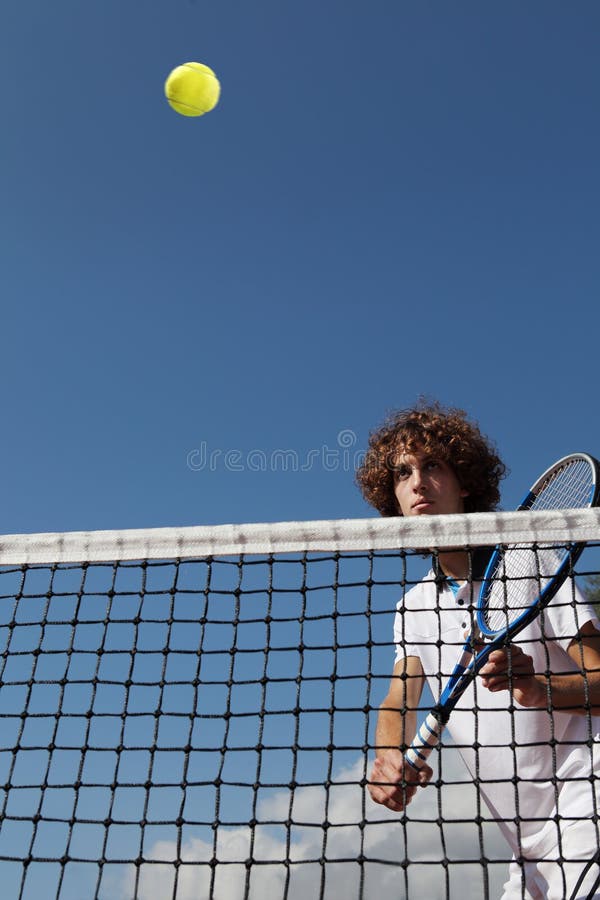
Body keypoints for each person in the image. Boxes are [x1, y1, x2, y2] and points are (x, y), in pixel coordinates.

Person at [356, 402, 600, 900]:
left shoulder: (530, 557)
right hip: (523, 839)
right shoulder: (412, 607)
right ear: (393, 497)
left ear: (465, 481)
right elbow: (400, 700)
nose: (417, 482)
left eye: (432, 466)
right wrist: (387, 759)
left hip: (587, 795)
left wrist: (536, 689)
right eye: (403, 473)